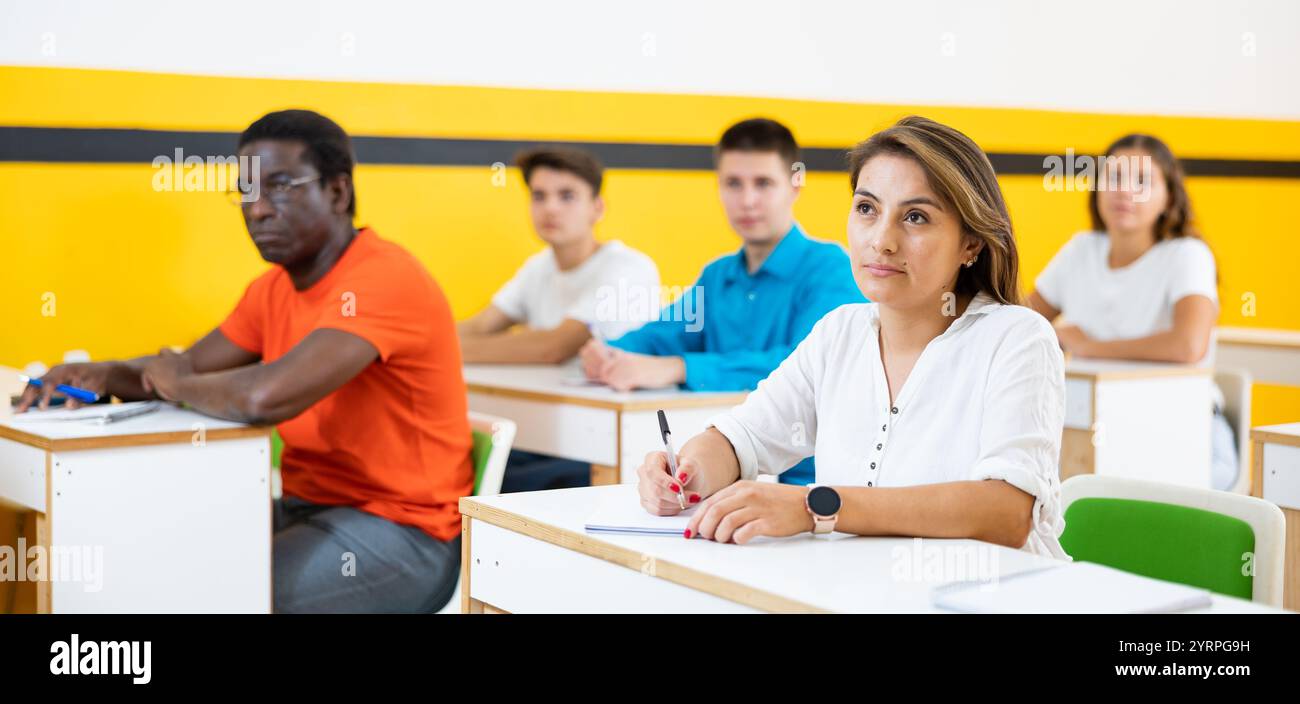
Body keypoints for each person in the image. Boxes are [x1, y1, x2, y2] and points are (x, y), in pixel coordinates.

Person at [17, 109, 473, 612]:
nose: (257, 210)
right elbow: (191, 367)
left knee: (220, 598)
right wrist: (101, 372)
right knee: (150, 561)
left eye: (280, 186)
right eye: (246, 191)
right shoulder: (273, 288)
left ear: (338, 193)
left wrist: (173, 380)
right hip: (303, 509)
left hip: (404, 532)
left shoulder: (382, 279)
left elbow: (261, 398)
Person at [635, 116, 1068, 559]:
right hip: (863, 593)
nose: (881, 240)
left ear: (971, 245)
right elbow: (740, 439)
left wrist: (815, 507)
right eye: (867, 209)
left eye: (915, 217)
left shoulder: (1016, 337)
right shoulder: (839, 332)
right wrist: (685, 475)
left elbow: (1007, 512)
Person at [581, 118, 865, 486]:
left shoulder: (831, 270)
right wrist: (608, 353)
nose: (747, 200)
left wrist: (678, 368)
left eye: (763, 183)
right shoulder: (718, 275)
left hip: (804, 481)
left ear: (795, 185)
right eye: (733, 184)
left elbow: (803, 369)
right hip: (721, 462)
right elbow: (662, 335)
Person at [1027, 134, 1235, 490]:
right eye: (1114, 178)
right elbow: (1022, 321)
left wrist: (1090, 346)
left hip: (1186, 432)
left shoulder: (1187, 254)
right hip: (1095, 432)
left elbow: (1189, 346)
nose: (1125, 191)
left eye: (1142, 181)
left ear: (1169, 196)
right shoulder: (1081, 250)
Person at [458, 146, 659, 363]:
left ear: (598, 208)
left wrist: (438, 353)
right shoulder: (538, 267)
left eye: (567, 196)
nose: (550, 208)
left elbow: (554, 348)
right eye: (539, 196)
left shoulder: (630, 268)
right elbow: (480, 326)